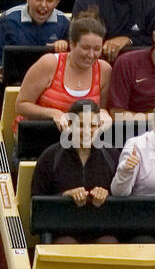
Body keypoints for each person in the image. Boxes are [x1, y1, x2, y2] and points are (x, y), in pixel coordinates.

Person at [31, 98, 120, 244]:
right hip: (62, 229)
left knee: (108, 243)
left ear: (100, 126)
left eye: (92, 126)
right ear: (70, 125)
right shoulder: (50, 157)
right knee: (66, 244)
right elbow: (37, 203)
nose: (86, 131)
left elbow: (122, 199)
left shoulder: (112, 155)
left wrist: (107, 195)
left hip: (102, 228)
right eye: (80, 125)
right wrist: (64, 196)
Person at [15, 13, 112, 131]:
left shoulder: (104, 70)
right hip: (38, 133)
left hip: (80, 138)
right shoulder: (49, 63)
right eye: (85, 48)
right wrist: (53, 113)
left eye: (97, 49)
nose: (91, 55)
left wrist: (103, 113)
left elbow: (101, 108)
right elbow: (21, 105)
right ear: (72, 44)